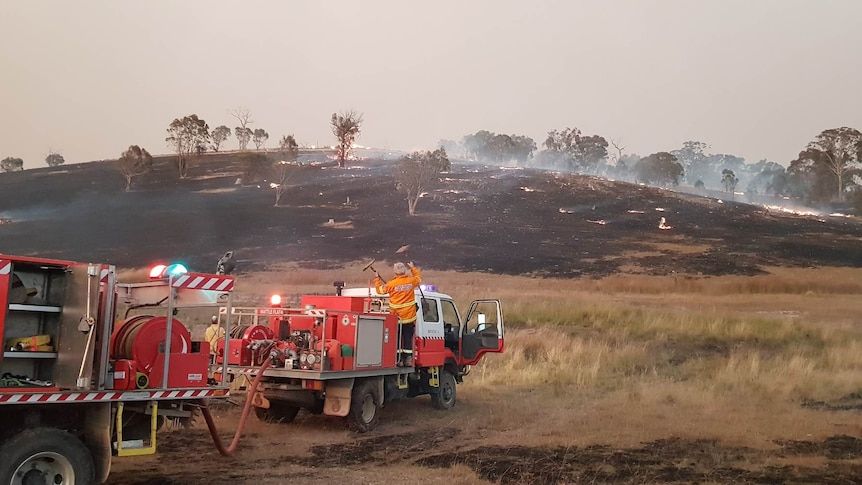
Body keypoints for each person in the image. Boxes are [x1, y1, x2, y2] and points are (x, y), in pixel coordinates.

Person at [373, 261, 421, 367]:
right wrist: (413, 268)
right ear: (404, 271)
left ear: (395, 272)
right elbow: (418, 278)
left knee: (397, 339)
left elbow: (380, 291)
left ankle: (398, 360)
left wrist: (377, 278)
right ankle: (408, 360)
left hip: (397, 318)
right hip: (409, 317)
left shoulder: (391, 284)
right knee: (408, 339)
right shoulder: (411, 281)